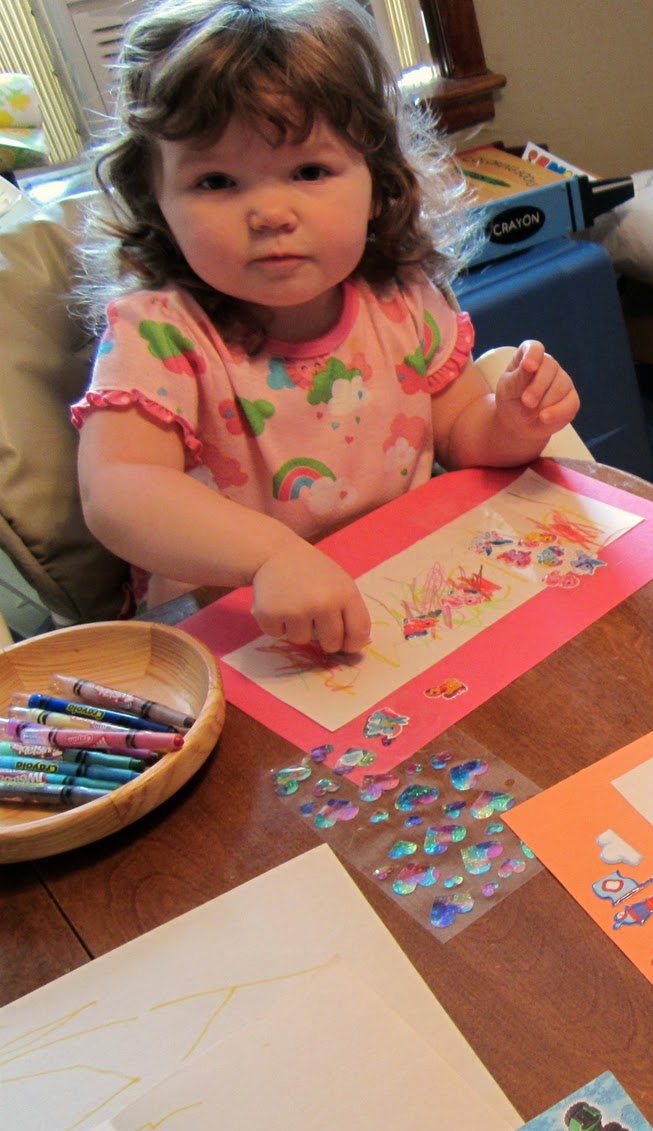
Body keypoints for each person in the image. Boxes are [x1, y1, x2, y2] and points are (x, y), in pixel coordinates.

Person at [71, 0, 580, 654]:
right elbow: (118, 492)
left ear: (377, 178)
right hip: (236, 632)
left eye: (309, 171)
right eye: (217, 181)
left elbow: (459, 433)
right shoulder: (158, 332)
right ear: (156, 201)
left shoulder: (399, 298)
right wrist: (269, 557)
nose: (270, 213)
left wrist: (512, 422)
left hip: (403, 601)